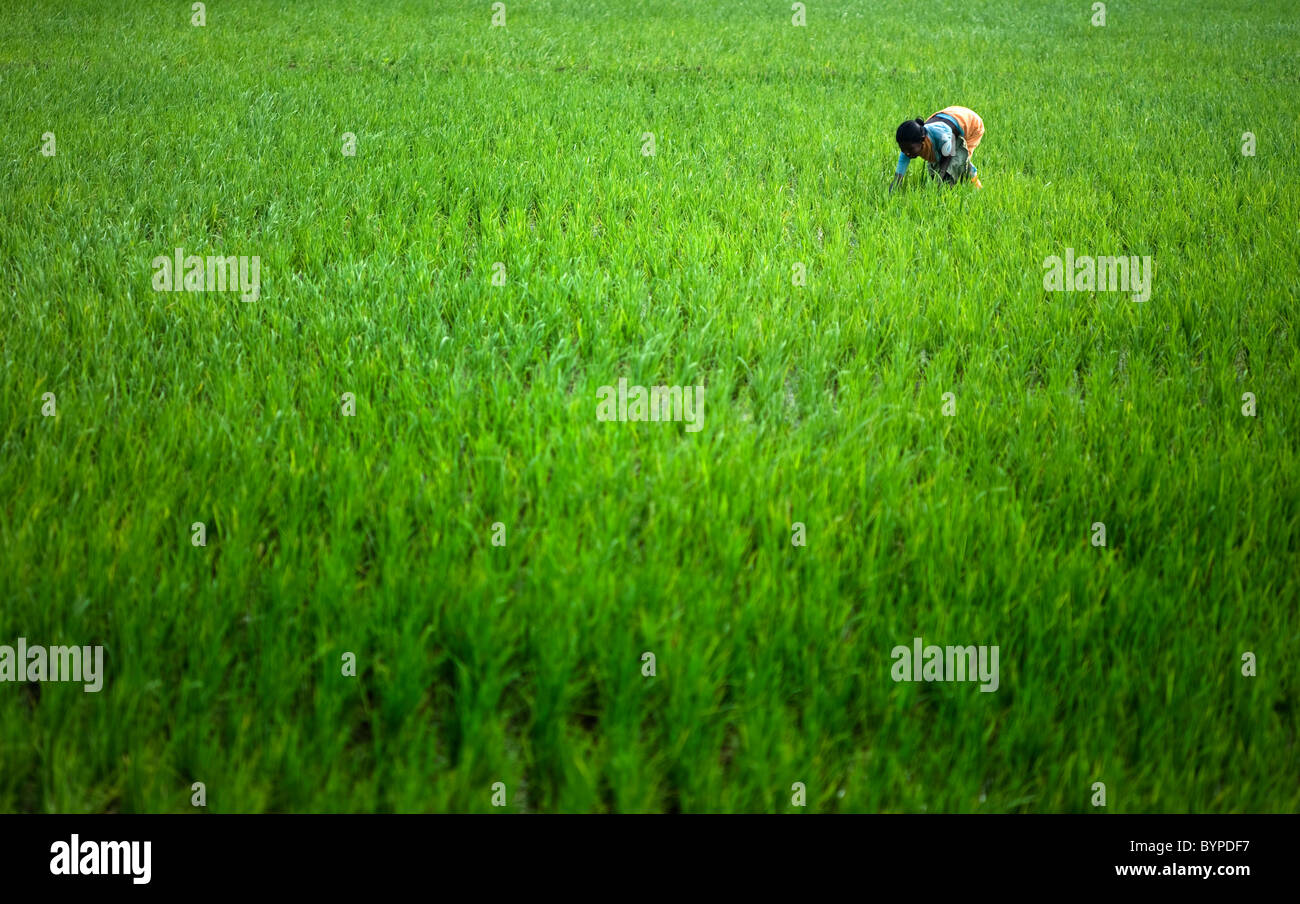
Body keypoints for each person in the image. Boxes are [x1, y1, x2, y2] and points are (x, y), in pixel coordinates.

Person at [889, 106, 984, 192]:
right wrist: (896, 184)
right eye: (903, 149)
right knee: (940, 165)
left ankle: (977, 187)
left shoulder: (940, 135)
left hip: (971, 123)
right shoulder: (908, 145)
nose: (907, 153)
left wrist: (940, 179)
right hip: (950, 116)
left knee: (959, 164)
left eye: (910, 149)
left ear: (922, 140)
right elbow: (901, 166)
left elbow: (948, 156)